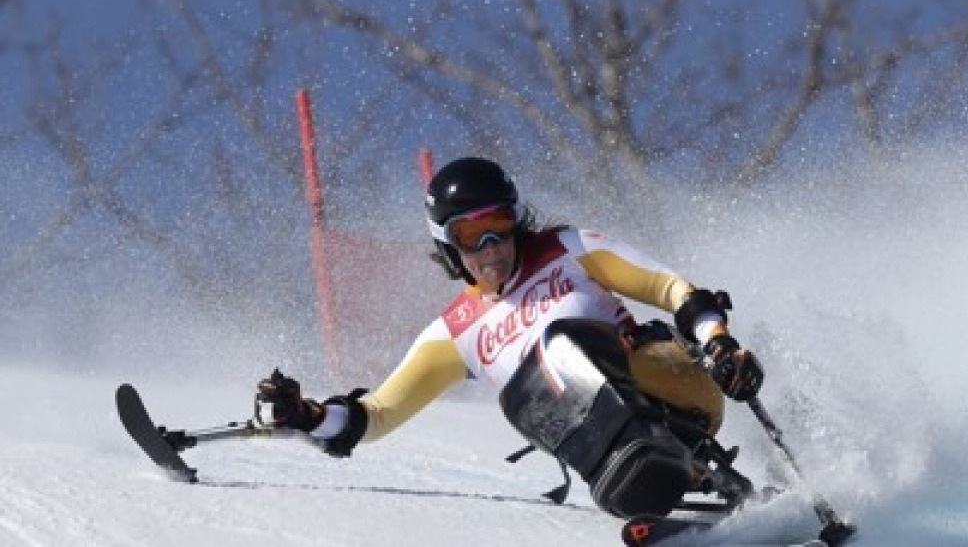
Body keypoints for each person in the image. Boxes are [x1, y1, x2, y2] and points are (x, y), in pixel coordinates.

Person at [257, 156, 766, 542]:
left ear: (516, 219)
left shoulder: (568, 250)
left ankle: (687, 468)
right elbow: (376, 416)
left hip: (672, 382)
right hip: (602, 449)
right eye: (469, 235)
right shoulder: (456, 331)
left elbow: (668, 287)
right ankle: (660, 486)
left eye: (496, 227)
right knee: (527, 389)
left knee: (558, 348)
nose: (489, 247)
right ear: (447, 246)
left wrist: (718, 344)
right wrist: (307, 415)